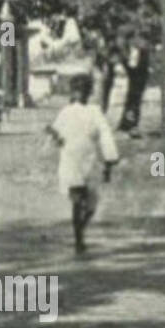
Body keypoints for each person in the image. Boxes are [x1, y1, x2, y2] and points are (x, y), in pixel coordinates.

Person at [47, 73, 120, 255]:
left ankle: (79, 234)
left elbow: (56, 135)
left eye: (81, 90)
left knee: (82, 201)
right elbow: (105, 136)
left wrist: (109, 159)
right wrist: (109, 160)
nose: (79, 93)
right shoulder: (81, 112)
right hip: (80, 159)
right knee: (84, 201)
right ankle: (79, 235)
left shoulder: (80, 111)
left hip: (80, 159)